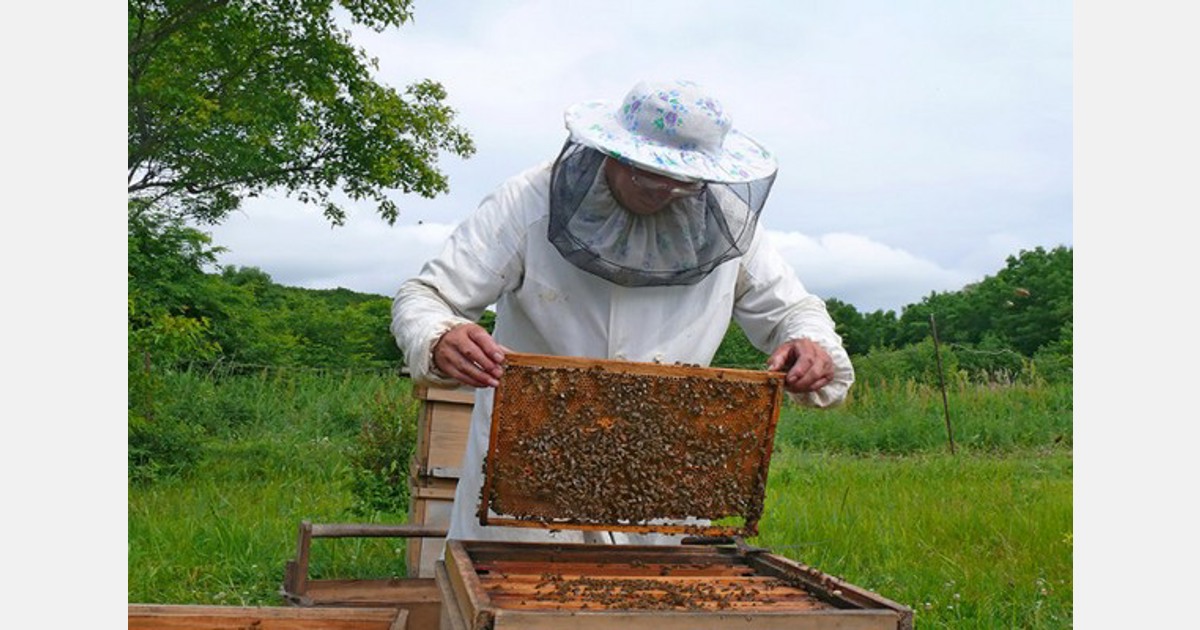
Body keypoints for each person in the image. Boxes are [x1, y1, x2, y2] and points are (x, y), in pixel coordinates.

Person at [391, 79, 854, 545]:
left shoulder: (727, 222)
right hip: (529, 470)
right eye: (652, 176)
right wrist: (438, 334)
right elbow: (426, 295)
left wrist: (810, 343)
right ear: (614, 152)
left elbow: (793, 310)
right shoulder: (529, 198)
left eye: (685, 183)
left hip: (657, 475)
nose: (667, 191)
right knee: (512, 610)